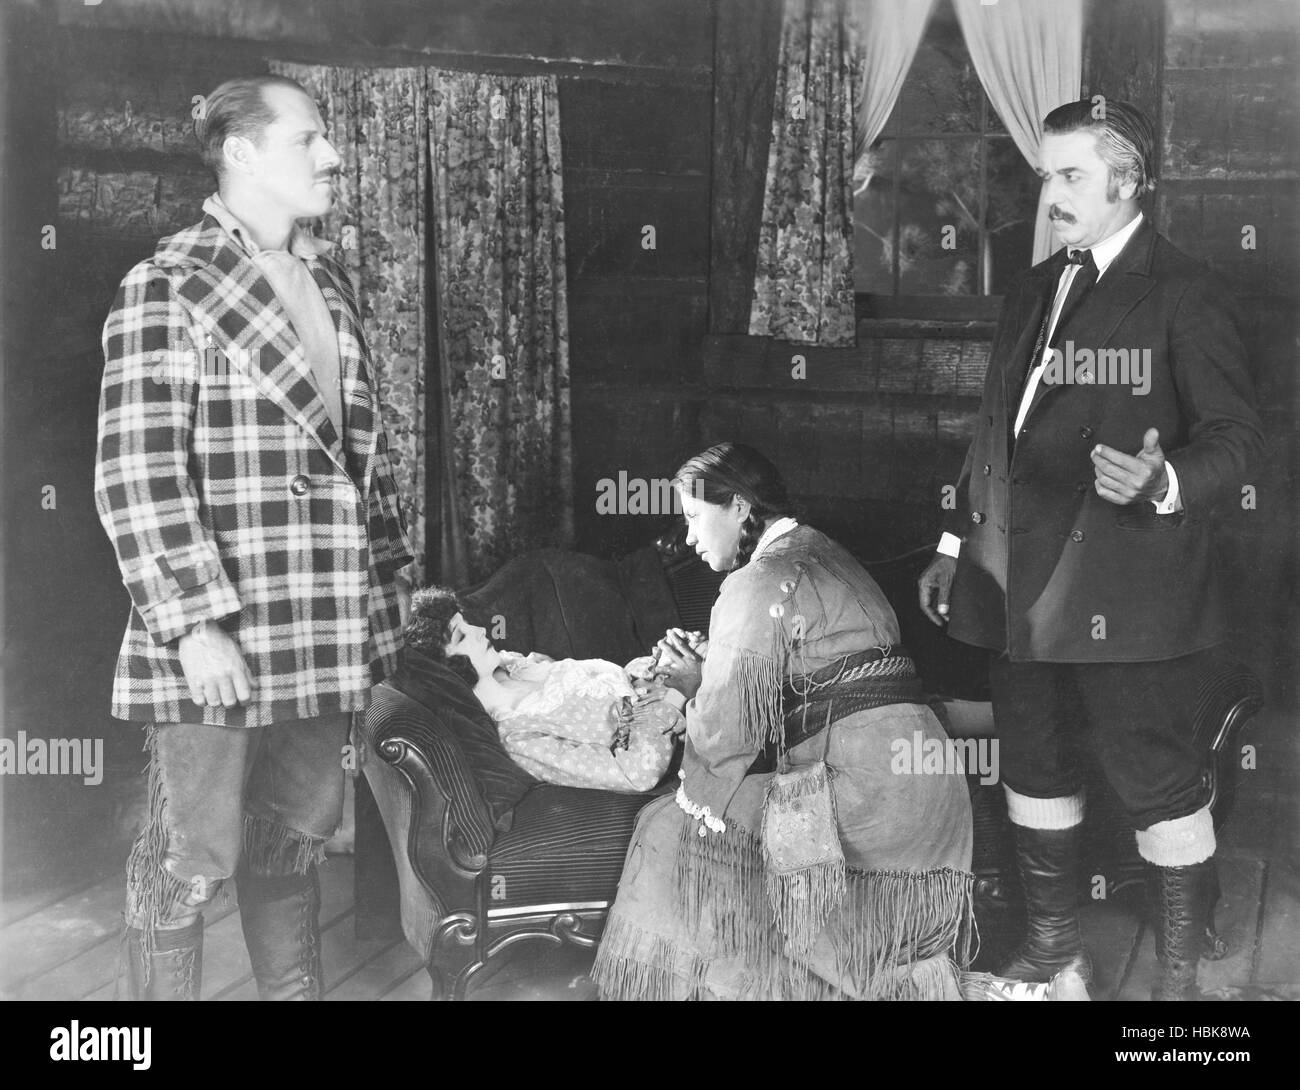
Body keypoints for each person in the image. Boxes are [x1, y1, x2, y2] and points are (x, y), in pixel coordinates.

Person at [917, 99, 1263, 1001]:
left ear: (1128, 181)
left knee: (1156, 782)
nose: (1052, 195)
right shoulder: (1034, 287)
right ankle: (1052, 949)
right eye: (1046, 177)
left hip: (1130, 589)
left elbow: (1237, 441)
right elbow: (993, 429)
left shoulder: (1185, 289)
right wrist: (956, 542)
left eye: (1071, 177)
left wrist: (1164, 481)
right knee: (1032, 765)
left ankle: (1179, 979)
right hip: (1011, 585)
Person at [94, 74, 413, 1000]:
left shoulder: (329, 281)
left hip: (322, 628)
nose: (333, 155)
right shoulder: (167, 286)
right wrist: (193, 625)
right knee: (188, 857)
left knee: (292, 841)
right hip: (220, 637)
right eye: (307, 139)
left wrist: (391, 607)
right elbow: (135, 472)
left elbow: (365, 468)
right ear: (240, 152)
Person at [590, 443, 976, 1000]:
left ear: (741, 508)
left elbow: (728, 744)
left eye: (696, 518)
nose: (690, 538)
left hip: (870, 801)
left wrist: (685, 689)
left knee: (668, 827)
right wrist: (712, 670)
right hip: (929, 793)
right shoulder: (822, 551)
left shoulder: (758, 581)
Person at [406, 586, 681, 793]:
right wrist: (675, 697)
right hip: (669, 735)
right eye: (461, 635)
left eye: (466, 622)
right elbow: (634, 774)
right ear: (445, 668)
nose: (479, 630)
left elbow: (610, 686)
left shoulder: (514, 664)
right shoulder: (517, 736)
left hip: (665, 692)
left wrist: (661, 664)